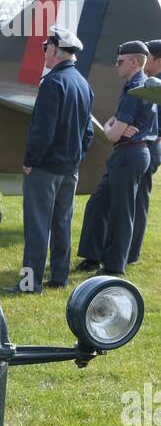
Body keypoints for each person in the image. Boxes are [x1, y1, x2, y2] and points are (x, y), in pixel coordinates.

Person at [7, 25, 94, 293]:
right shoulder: (83, 83)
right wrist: (75, 158)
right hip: (70, 167)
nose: (44, 51)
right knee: (61, 224)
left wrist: (30, 160)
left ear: (55, 49)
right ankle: (59, 277)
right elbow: (87, 132)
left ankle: (29, 284)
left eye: (46, 47)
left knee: (36, 227)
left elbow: (43, 130)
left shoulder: (53, 83)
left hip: (45, 167)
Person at [76, 41, 159, 275]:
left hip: (130, 152)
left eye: (120, 61)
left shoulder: (136, 89)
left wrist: (113, 126)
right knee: (98, 203)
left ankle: (114, 267)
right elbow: (114, 127)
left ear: (134, 62)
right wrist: (114, 126)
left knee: (122, 212)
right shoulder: (139, 85)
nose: (116, 65)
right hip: (128, 152)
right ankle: (92, 257)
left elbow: (111, 135)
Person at [128, 37, 161, 265]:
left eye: (148, 56)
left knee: (137, 202)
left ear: (158, 61)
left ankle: (130, 253)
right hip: (150, 145)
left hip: (149, 145)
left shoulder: (154, 85)